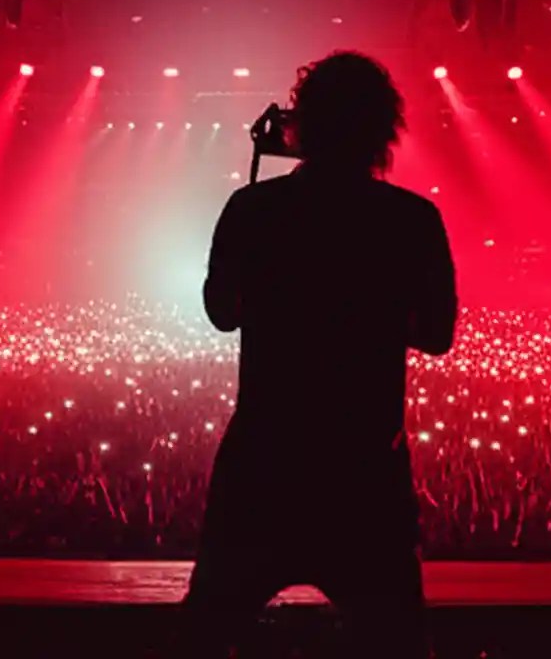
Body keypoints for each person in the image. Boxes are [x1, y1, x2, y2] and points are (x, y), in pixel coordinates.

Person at [177, 51, 458, 658]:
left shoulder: (254, 210)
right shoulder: (412, 219)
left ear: (300, 125)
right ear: (384, 130)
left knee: (206, 634)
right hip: (363, 468)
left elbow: (223, 312)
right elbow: (437, 334)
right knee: (395, 640)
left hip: (264, 461)